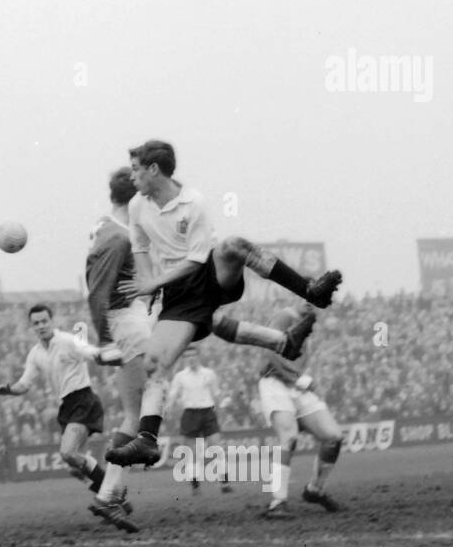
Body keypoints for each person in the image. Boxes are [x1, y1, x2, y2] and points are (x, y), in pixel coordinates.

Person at [107, 139, 342, 470]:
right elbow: (140, 248)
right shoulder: (137, 206)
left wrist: (154, 283)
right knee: (154, 365)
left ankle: (310, 290)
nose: (131, 176)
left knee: (233, 246)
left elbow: (196, 259)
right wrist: (147, 289)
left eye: (135, 169)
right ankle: (147, 440)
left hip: (209, 276)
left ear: (153, 170)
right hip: (179, 294)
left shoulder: (194, 203)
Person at [0, 304, 136, 532]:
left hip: (83, 401)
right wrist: (9, 390)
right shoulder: (36, 354)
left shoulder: (67, 341)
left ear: (52, 321)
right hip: (67, 407)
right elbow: (25, 383)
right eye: (36, 323)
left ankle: (110, 498)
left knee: (67, 453)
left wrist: (111, 356)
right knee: (74, 466)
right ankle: (115, 497)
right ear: (31, 326)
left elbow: (90, 352)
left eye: (44, 321)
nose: (41, 326)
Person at [84, 167, 154, 525]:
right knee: (140, 413)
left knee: (139, 412)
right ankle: (109, 494)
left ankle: (111, 492)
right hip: (126, 323)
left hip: (129, 320)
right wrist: (107, 340)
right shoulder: (117, 235)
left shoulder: (111, 227)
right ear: (135, 196)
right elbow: (97, 291)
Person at [256, 303, 345, 518]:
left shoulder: (310, 322)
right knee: (288, 437)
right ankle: (277, 502)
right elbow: (269, 356)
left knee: (333, 437)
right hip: (275, 382)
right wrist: (300, 379)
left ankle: (315, 489)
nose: (312, 302)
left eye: (318, 298)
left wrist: (301, 380)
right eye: (308, 296)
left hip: (296, 385)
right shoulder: (285, 317)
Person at [167, 347, 232, 493]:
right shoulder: (180, 376)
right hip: (190, 414)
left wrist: (223, 404)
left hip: (208, 412)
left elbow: (216, 392)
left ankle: (224, 484)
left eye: (193, 356)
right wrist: (168, 406)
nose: (191, 359)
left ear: (198, 357)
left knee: (217, 448)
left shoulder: (209, 374)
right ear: (185, 359)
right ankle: (195, 486)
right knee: (193, 453)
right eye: (188, 357)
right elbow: (173, 394)